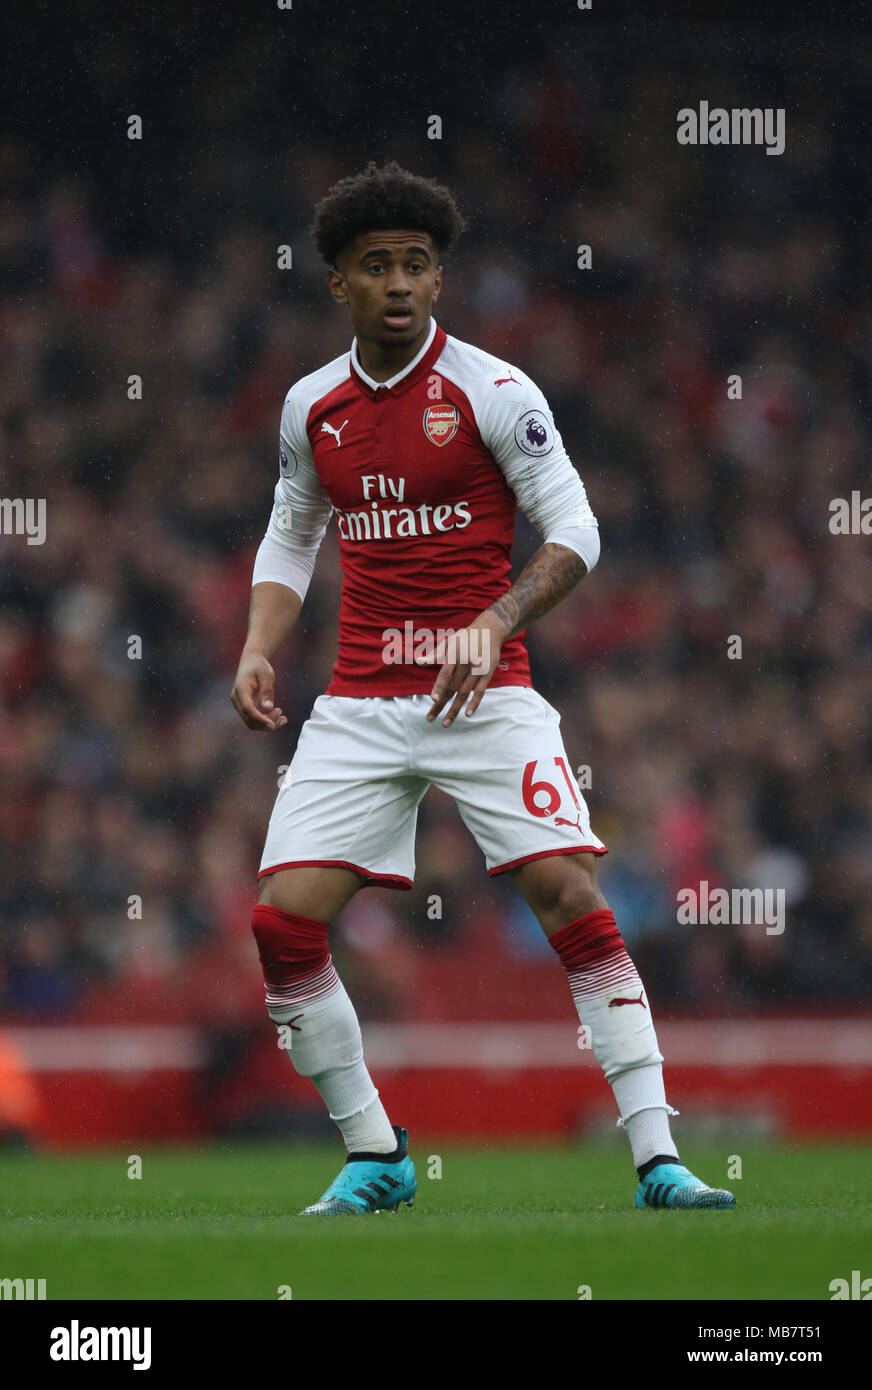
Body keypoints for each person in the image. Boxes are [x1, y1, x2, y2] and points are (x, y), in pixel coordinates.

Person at [230, 161, 734, 1215]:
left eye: (417, 264)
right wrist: (257, 645)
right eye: (377, 268)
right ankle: (375, 1151)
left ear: (438, 278)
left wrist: (494, 619)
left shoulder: (496, 393)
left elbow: (578, 533)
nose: (401, 283)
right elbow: (291, 533)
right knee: (282, 924)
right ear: (339, 286)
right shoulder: (310, 407)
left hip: (485, 690)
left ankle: (656, 1157)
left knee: (568, 894)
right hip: (362, 700)